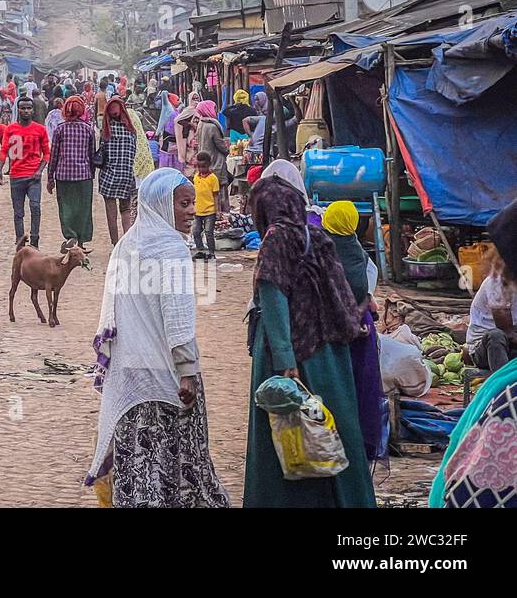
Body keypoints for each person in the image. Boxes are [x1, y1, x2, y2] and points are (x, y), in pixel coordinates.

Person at [87, 168, 231, 508]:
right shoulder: (172, 250)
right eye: (184, 203)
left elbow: (114, 314)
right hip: (168, 378)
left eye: (193, 202)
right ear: (161, 204)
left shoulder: (126, 245)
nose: (192, 211)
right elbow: (178, 321)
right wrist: (187, 372)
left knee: (137, 462)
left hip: (130, 375)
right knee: (180, 460)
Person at [243, 175, 375, 508]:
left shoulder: (275, 239)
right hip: (330, 351)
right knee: (333, 429)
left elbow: (273, 298)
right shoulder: (316, 234)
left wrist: (286, 362)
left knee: (286, 436)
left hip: (289, 354)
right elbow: (344, 291)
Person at [431, 196, 517, 507]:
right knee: (496, 338)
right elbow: (505, 330)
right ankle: (494, 380)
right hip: (484, 344)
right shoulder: (498, 282)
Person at [322, 200, 388, 464]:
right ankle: (359, 443)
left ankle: (336, 442)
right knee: (361, 387)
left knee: (337, 388)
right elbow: (366, 292)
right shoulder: (359, 254)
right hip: (362, 330)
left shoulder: (324, 253)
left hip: (335, 333)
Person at [0, 96, 52, 248]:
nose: (26, 110)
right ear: (18, 110)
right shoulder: (10, 130)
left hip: (34, 176)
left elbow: (47, 153)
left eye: (28, 108)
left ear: (33, 110)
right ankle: (20, 241)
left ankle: (34, 241)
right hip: (16, 176)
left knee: (35, 207)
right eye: (23, 108)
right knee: (18, 212)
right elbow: (4, 150)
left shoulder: (40, 130)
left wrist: (40, 170)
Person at [47, 94, 95, 245]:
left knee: (66, 207)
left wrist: (50, 178)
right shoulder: (88, 129)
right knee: (83, 208)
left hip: (63, 176)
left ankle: (70, 235)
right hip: (84, 175)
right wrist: (91, 174)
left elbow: (53, 155)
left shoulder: (60, 130)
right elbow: (92, 155)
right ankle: (81, 240)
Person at [97, 96, 139, 245]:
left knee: (111, 213)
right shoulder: (131, 132)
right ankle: (126, 243)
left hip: (109, 177)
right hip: (127, 176)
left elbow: (103, 152)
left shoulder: (107, 131)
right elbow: (133, 153)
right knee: (126, 210)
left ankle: (115, 243)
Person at [466, 255, 517, 373]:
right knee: (495, 335)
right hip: (485, 347)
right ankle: (503, 384)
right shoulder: (497, 281)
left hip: (512, 344)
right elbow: (508, 333)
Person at [194, 99, 230, 212]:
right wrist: (227, 149)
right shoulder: (212, 127)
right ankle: (221, 212)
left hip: (205, 161)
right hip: (216, 162)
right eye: (214, 108)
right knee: (220, 190)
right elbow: (220, 145)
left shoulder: (201, 124)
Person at [190, 151, 219, 260]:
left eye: (204, 166)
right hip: (197, 211)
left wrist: (217, 210)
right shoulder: (196, 177)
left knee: (208, 232)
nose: (201, 169)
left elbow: (216, 196)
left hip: (210, 211)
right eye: (199, 167)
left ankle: (211, 253)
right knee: (196, 231)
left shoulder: (213, 179)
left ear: (209, 165)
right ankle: (200, 250)